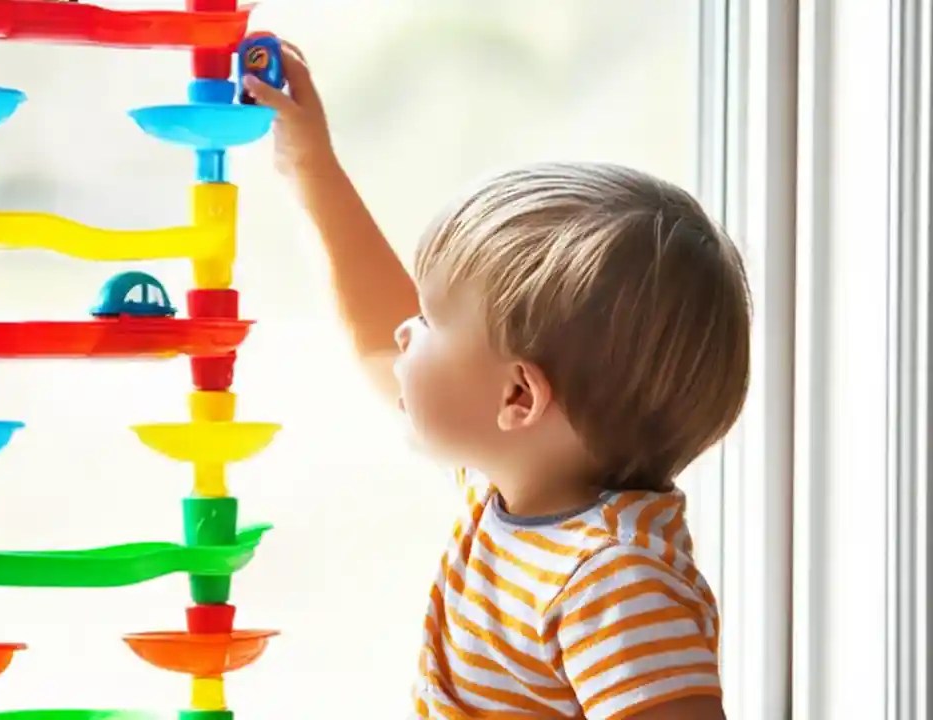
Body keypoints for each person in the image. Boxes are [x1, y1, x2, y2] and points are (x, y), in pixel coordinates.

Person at [242, 42, 748, 720]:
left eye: (428, 318)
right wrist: (310, 165)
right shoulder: (514, 495)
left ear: (518, 398)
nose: (403, 333)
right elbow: (374, 340)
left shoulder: (612, 581)